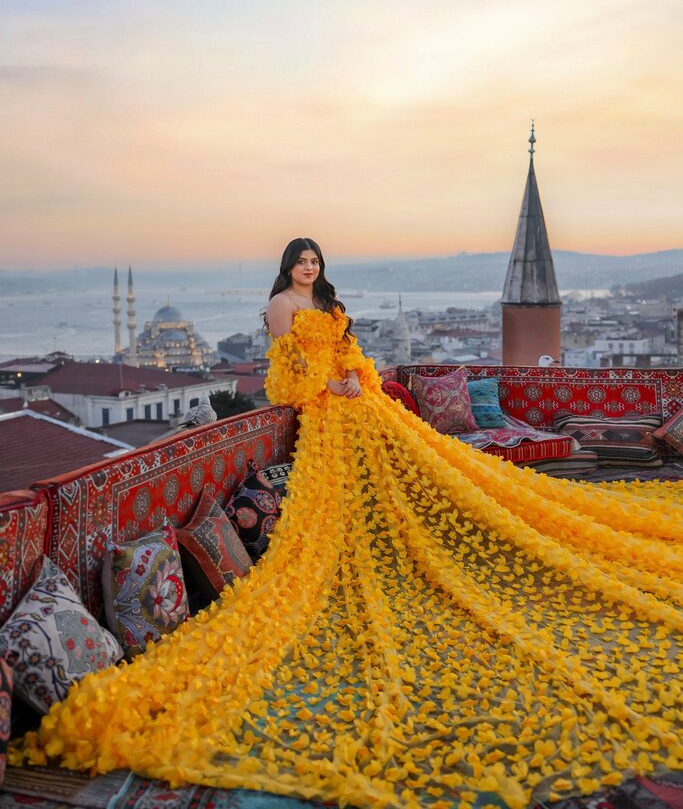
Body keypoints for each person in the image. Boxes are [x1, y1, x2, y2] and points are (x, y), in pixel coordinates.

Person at [13, 238, 683, 809]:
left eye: (314, 260)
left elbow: (348, 351)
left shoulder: (328, 305)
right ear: (288, 267)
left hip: (357, 400)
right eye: (300, 261)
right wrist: (326, 389)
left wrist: (358, 377)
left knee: (421, 461)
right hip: (324, 412)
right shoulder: (280, 307)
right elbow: (288, 374)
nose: (307, 268)